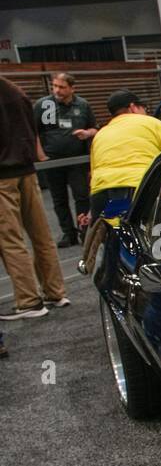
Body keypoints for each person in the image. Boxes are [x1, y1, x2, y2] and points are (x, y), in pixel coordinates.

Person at [0, 76, 68, 319]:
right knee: (41, 235)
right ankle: (55, 292)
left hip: (3, 176)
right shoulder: (17, 92)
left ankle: (29, 301)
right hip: (27, 171)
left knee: (10, 239)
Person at [80, 89, 161, 242]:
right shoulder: (151, 123)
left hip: (101, 195)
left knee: (112, 241)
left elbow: (93, 173)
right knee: (144, 240)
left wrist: (91, 211)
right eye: (143, 108)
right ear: (133, 107)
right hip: (136, 188)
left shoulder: (101, 133)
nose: (145, 112)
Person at [33, 72, 97, 247]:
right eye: (54, 86)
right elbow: (34, 132)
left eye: (61, 87)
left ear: (72, 88)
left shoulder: (82, 105)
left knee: (81, 196)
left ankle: (85, 231)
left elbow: (94, 129)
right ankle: (68, 233)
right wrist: (41, 157)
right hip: (52, 161)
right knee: (58, 199)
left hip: (77, 160)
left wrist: (87, 133)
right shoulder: (44, 105)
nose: (57, 90)